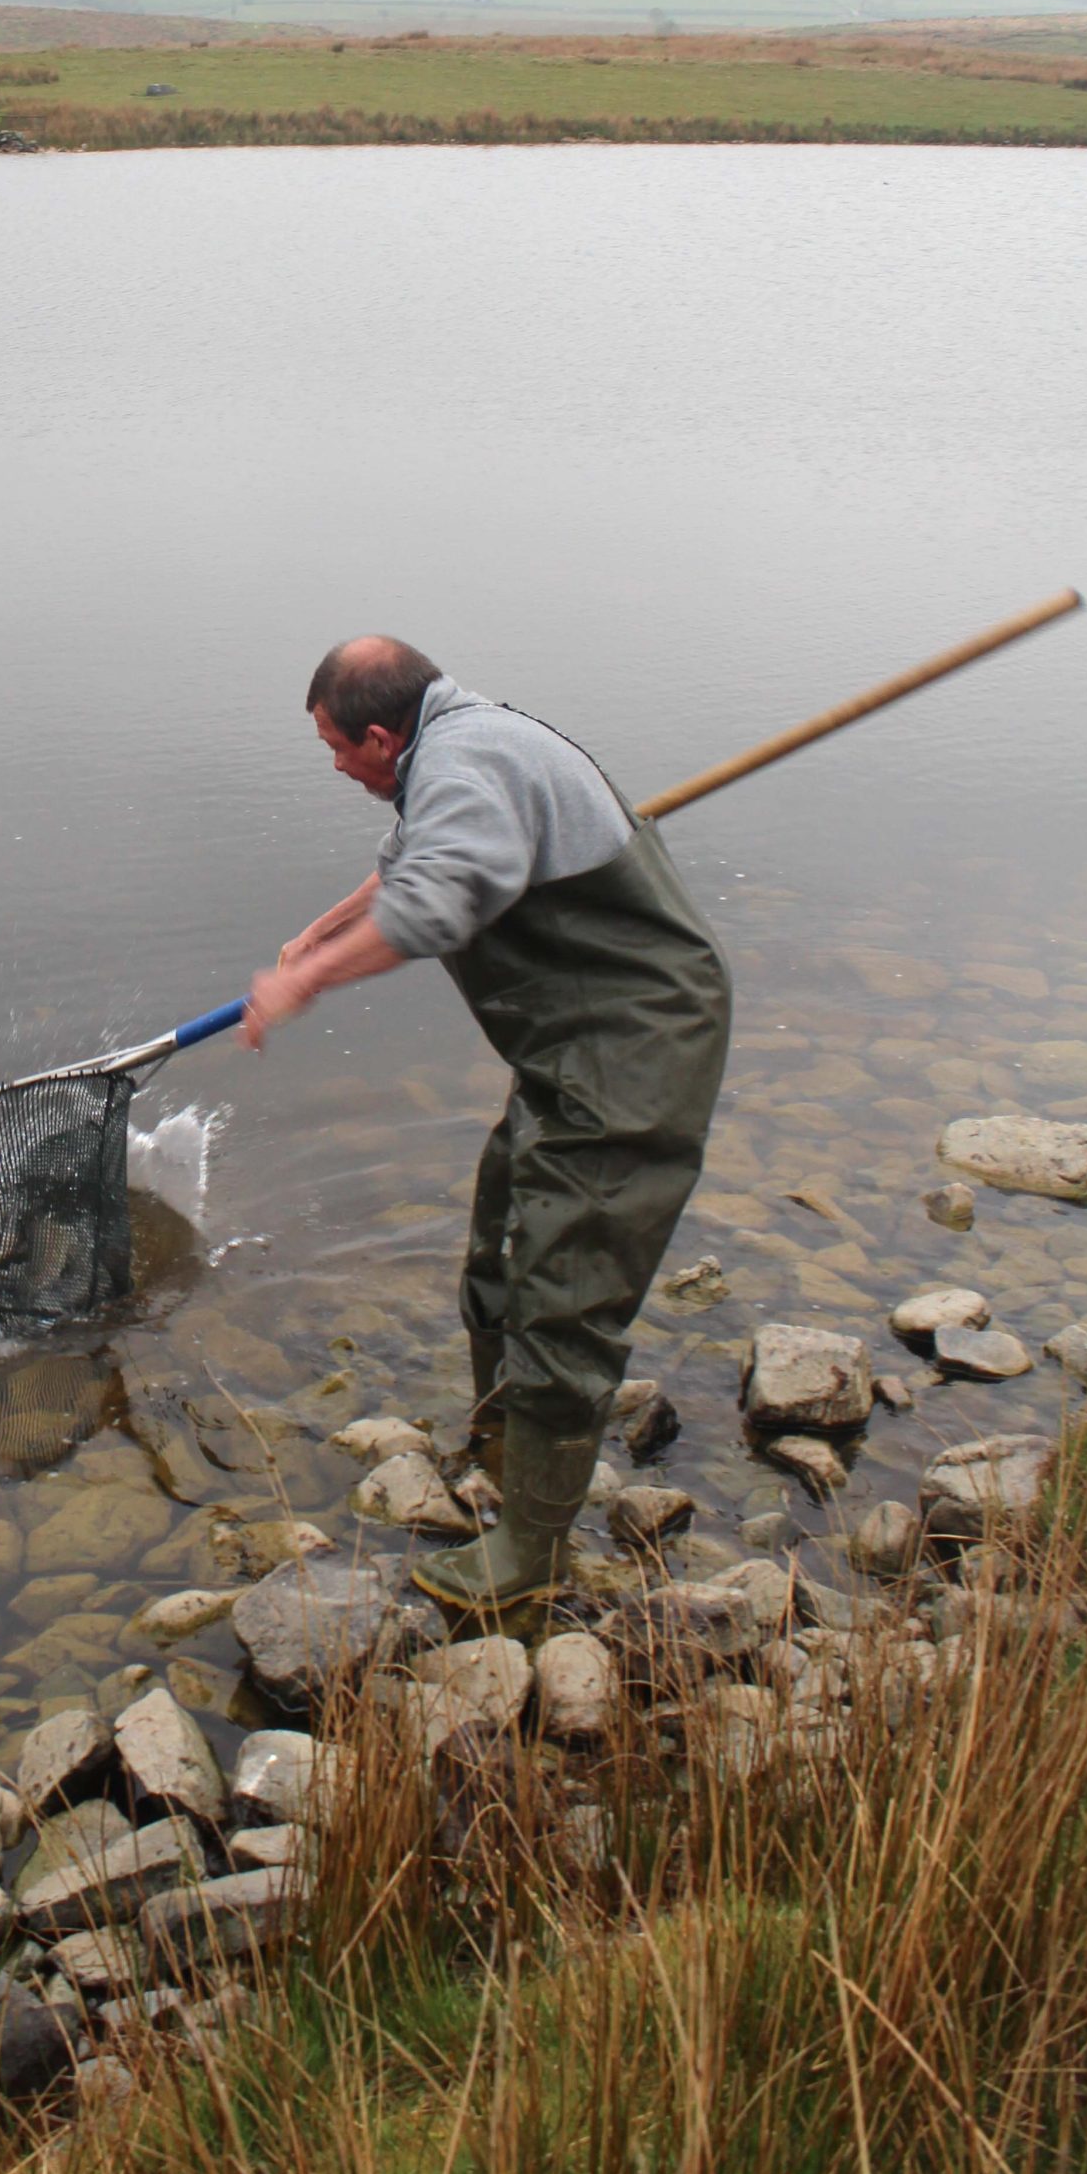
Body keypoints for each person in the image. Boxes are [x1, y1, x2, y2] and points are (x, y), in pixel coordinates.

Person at [241, 635, 731, 1609]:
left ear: (381, 737)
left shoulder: (463, 761)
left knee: (563, 1287)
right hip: (569, 1048)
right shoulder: (456, 747)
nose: (335, 766)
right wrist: (321, 932)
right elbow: (413, 863)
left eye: (335, 747)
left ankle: (530, 1553)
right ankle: (504, 1444)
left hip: (630, 1048)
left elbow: (438, 904)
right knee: (501, 1236)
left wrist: (308, 980)